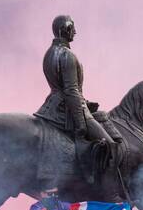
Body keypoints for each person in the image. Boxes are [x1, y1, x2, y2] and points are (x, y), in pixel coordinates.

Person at [32, 14, 121, 157]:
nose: (75, 31)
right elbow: (71, 91)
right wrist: (81, 123)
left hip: (51, 107)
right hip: (67, 110)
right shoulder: (68, 55)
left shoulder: (48, 53)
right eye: (72, 27)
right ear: (64, 29)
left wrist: (86, 102)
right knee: (110, 146)